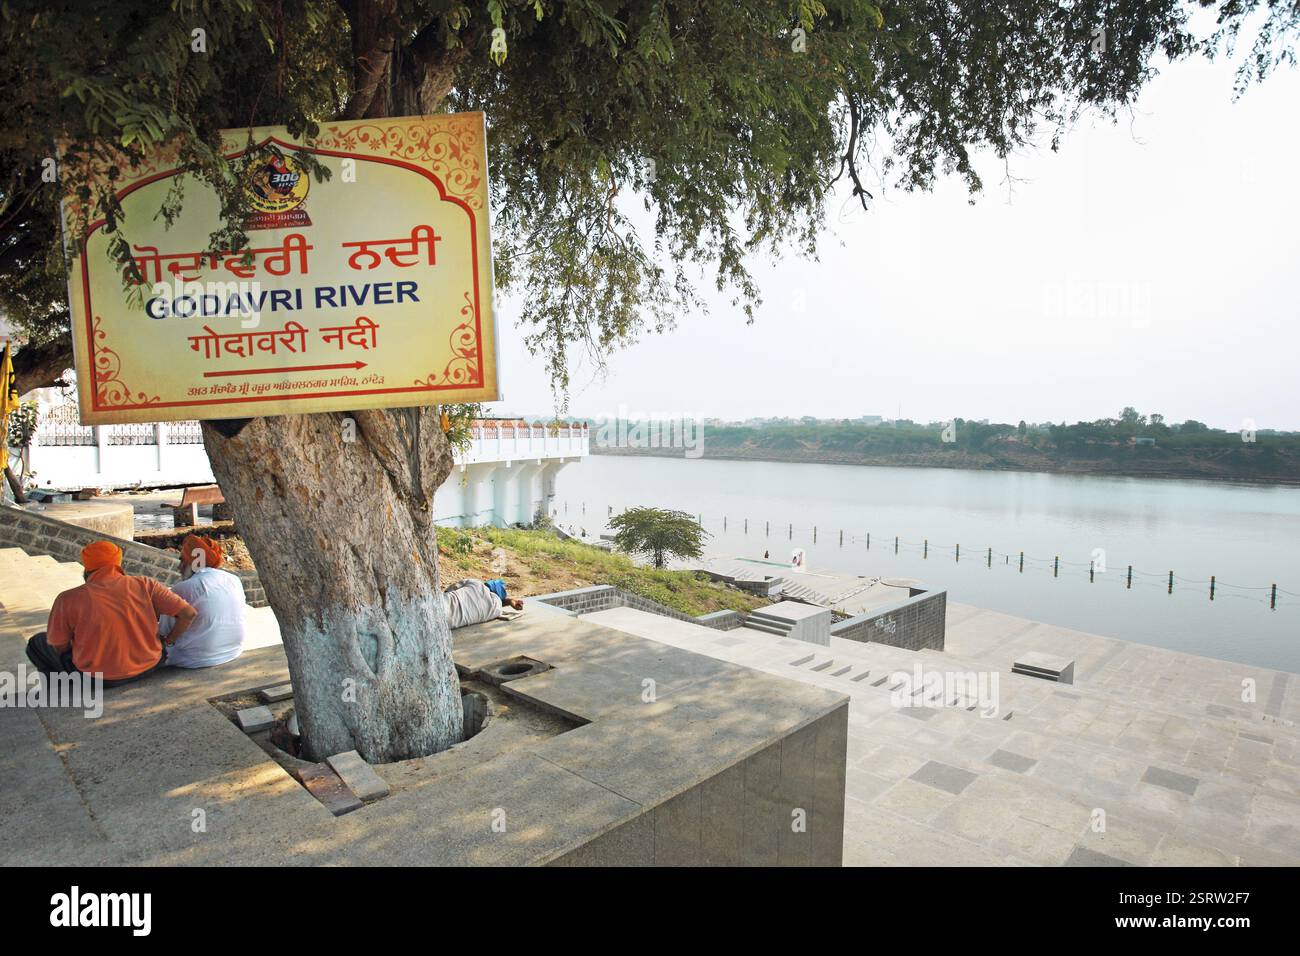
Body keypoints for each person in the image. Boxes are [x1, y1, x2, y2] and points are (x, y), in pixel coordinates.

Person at [26, 540, 197, 686]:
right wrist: (168, 641)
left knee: (37, 643)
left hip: (97, 678)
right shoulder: (145, 584)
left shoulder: (67, 599)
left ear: (87, 568)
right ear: (118, 563)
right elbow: (188, 614)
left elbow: (59, 644)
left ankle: (62, 688)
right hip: (150, 666)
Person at [159, 535, 246, 668]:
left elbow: (165, 632)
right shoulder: (234, 579)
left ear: (192, 562)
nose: (179, 567)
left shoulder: (183, 588)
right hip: (233, 651)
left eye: (182, 560)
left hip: (193, 659)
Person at [443, 577, 523, 629]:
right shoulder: (496, 610)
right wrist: (509, 601)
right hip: (446, 623)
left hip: (442, 602)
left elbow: (449, 590)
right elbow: (490, 602)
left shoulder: (475, 583)